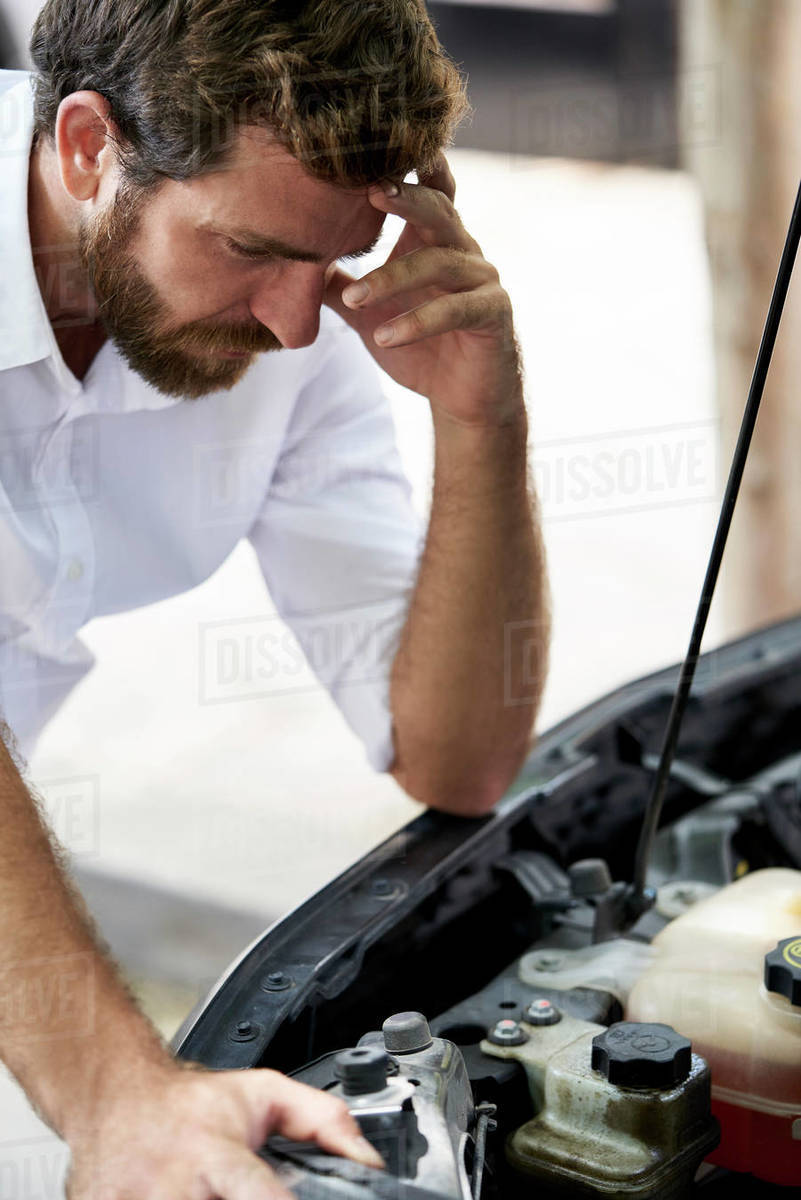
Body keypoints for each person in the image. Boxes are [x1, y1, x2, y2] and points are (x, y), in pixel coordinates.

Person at [0, 1, 549, 1196]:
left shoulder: (290, 330)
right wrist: (117, 1094)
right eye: (252, 250)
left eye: (331, 260)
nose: (301, 324)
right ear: (89, 146)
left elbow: (457, 763)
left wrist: (481, 417)